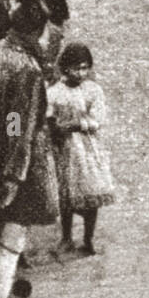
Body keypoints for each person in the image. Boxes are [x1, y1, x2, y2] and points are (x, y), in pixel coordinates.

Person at [0, 0, 57, 298]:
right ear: (37, 29)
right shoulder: (27, 69)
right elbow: (18, 124)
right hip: (17, 155)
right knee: (13, 231)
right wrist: (15, 173)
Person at [48, 41, 112, 257]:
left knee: (90, 192)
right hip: (64, 148)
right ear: (65, 68)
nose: (81, 73)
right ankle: (66, 237)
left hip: (86, 149)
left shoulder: (93, 90)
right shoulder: (55, 92)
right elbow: (47, 116)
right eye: (77, 68)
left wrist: (78, 124)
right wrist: (55, 127)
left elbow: (98, 119)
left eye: (85, 68)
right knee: (66, 193)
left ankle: (88, 237)